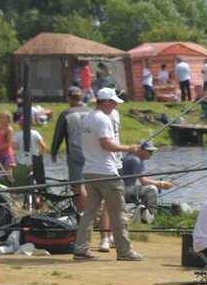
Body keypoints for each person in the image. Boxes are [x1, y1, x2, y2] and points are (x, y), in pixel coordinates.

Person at [72, 88, 145, 262]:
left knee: (90, 212)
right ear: (105, 102)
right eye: (112, 103)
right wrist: (128, 148)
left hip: (90, 170)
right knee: (118, 211)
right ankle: (124, 251)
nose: (114, 107)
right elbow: (106, 145)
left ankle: (80, 249)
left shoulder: (88, 117)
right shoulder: (103, 119)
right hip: (106, 171)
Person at [50, 86, 92, 212]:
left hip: (74, 154)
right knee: (90, 185)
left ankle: (80, 213)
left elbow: (59, 135)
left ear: (68, 98)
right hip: (92, 154)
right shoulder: (91, 112)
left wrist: (54, 152)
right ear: (81, 97)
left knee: (77, 186)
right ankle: (91, 212)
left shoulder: (66, 114)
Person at [121, 141, 170, 223]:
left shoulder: (133, 157)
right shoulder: (135, 160)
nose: (151, 153)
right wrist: (161, 184)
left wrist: (157, 183)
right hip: (124, 190)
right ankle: (151, 217)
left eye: (152, 151)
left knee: (148, 188)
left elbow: (144, 180)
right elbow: (143, 181)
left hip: (124, 188)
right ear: (141, 150)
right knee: (152, 189)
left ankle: (143, 214)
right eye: (149, 151)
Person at [11, 114, 48, 186]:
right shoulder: (35, 133)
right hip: (33, 160)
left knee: (22, 179)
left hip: (21, 160)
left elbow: (14, 147)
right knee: (35, 178)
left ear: (20, 125)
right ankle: (36, 194)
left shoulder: (17, 135)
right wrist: (40, 153)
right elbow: (43, 146)